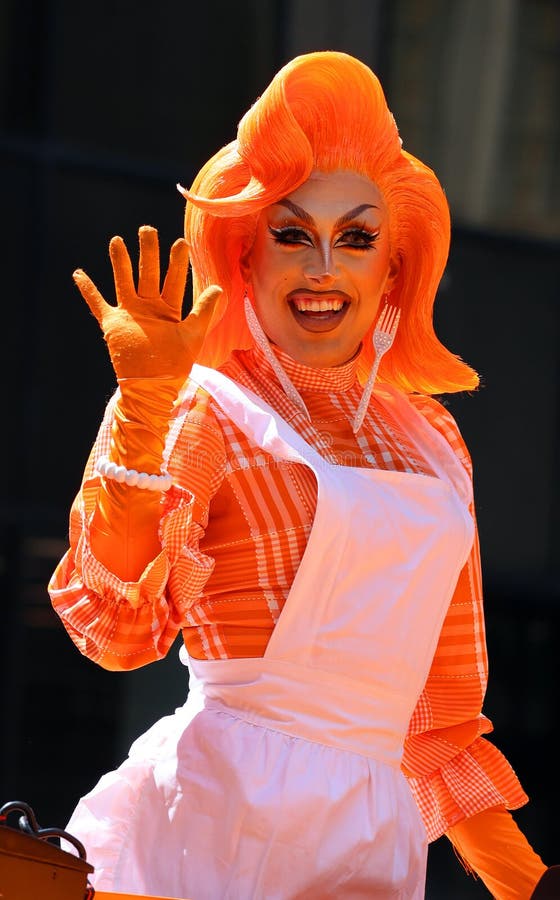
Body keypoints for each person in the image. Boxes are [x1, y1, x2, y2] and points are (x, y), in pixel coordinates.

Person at [48, 51, 557, 899]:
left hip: (370, 843)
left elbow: (437, 724)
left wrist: (524, 882)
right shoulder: (200, 406)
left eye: (356, 238)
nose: (323, 266)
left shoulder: (432, 438)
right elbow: (113, 632)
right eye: (292, 234)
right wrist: (142, 411)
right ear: (244, 256)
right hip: (215, 827)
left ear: (394, 269)